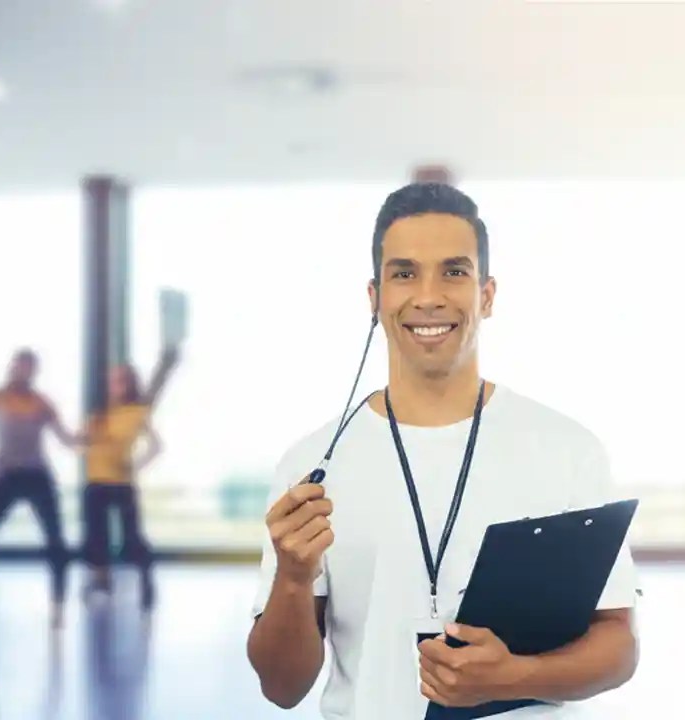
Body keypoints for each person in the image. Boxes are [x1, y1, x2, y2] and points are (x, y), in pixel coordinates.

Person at [246, 183, 641, 719]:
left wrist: (511, 678)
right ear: (374, 298)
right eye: (404, 273)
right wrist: (293, 579)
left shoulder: (567, 449)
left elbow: (618, 646)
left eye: (454, 272)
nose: (428, 296)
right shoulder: (311, 468)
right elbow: (281, 687)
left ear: (487, 296)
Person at [0, 349, 80, 629]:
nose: (25, 372)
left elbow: (66, 438)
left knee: (56, 541)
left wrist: (91, 438)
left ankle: (58, 605)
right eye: (21, 367)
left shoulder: (42, 402)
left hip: (37, 475)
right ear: (12, 368)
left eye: (30, 368)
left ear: (35, 372)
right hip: (7, 475)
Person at [81, 348, 178, 610]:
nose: (115, 386)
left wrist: (136, 465)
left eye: (121, 380)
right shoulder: (99, 414)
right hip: (95, 482)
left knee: (132, 538)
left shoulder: (136, 413)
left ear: (130, 384)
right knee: (96, 537)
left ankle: (146, 580)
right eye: (113, 381)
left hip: (121, 483)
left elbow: (156, 446)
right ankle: (101, 581)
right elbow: (84, 442)